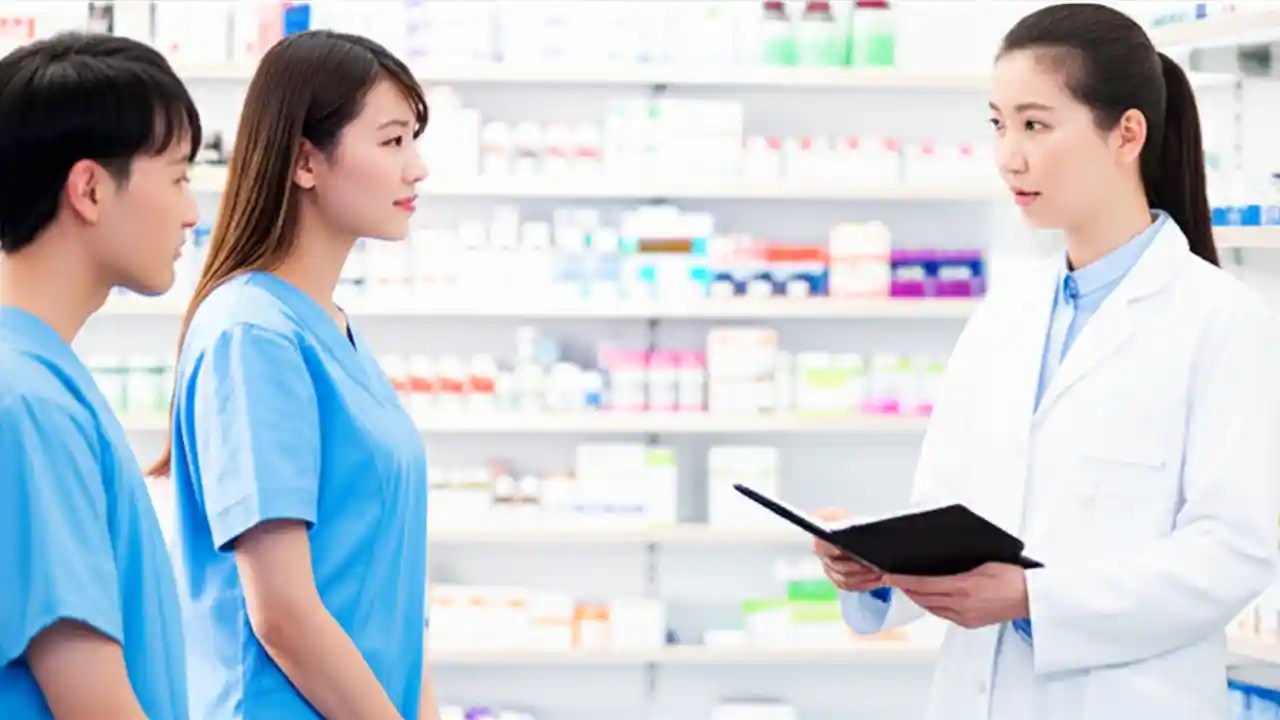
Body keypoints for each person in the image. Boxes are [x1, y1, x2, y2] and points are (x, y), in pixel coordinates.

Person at [815, 4, 1280, 719]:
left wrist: (1036, 599)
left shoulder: (1219, 320)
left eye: (1035, 124)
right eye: (998, 124)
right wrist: (876, 565)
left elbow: (1233, 553)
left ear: (1127, 133)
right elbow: (944, 507)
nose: (1010, 156)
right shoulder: (1006, 315)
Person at [147, 30, 437, 720]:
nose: (417, 167)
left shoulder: (330, 328)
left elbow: (391, 604)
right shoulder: (254, 333)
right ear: (306, 160)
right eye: (393, 141)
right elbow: (282, 611)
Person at [0, 33, 201, 719]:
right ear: (88, 188)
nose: (192, 211)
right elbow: (90, 697)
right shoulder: (27, 402)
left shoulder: (39, 379)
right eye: (177, 176)